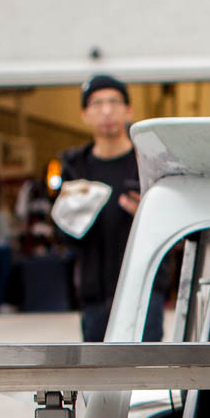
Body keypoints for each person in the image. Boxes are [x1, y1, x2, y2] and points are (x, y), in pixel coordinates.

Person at [55, 75, 143, 343]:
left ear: (128, 110)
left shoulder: (146, 163)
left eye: (114, 102)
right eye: (97, 103)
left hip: (143, 292)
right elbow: (62, 236)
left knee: (146, 368)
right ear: (84, 114)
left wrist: (145, 214)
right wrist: (74, 217)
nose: (106, 111)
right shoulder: (75, 168)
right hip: (94, 297)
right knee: (98, 369)